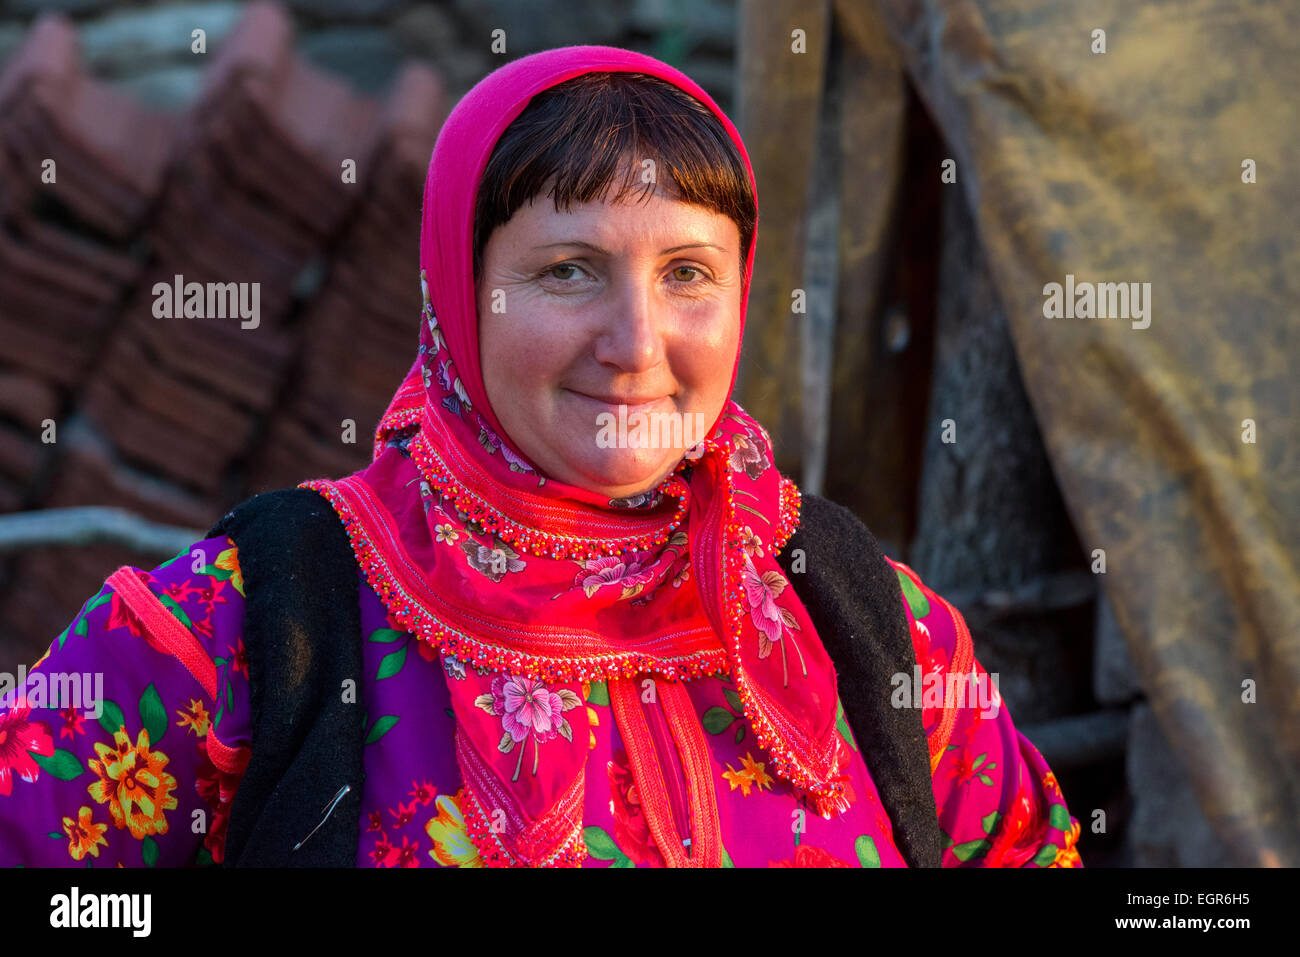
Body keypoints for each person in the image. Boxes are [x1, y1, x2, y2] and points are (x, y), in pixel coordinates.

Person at [0, 45, 1081, 868]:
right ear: (457, 296)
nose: (636, 343)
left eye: (688, 274)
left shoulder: (866, 621)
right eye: (568, 270)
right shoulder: (252, 622)